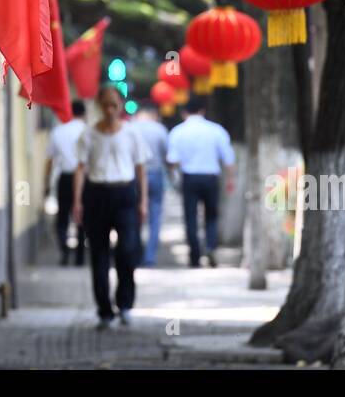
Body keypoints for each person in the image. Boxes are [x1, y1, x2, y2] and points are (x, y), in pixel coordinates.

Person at [73, 84, 148, 328]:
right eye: (105, 105)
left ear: (120, 106)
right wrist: (77, 201)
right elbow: (81, 169)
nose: (109, 110)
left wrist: (143, 201)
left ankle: (125, 304)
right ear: (99, 106)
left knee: (127, 250)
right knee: (98, 255)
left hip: (125, 194)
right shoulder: (88, 134)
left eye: (114, 105)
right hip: (96, 194)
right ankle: (104, 310)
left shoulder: (131, 133)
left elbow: (141, 168)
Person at [166, 96, 236, 268]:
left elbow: (172, 160)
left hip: (189, 178)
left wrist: (178, 169)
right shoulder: (216, 130)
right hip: (210, 177)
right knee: (211, 216)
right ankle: (211, 246)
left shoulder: (178, 132)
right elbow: (228, 158)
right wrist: (231, 179)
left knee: (190, 217)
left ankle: (195, 254)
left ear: (184, 113)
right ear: (203, 111)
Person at [44, 100, 87, 266]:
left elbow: (50, 160)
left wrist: (46, 182)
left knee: (62, 218)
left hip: (65, 178)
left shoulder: (58, 131)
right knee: (82, 218)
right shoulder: (88, 131)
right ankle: (80, 257)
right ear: (84, 113)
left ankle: (64, 251)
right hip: (84, 179)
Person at [128, 107, 169, 267]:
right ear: (153, 115)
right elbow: (167, 155)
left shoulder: (129, 128)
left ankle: (135, 253)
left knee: (133, 216)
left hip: (133, 177)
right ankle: (150, 256)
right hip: (155, 174)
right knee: (155, 216)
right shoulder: (159, 129)